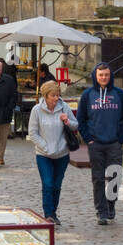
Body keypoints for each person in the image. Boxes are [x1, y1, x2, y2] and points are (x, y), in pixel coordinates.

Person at [76, 62, 123, 225]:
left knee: (115, 176)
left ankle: (110, 205)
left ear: (110, 76)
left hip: (114, 143)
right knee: (98, 178)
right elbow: (81, 119)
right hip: (96, 144)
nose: (104, 78)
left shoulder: (119, 94)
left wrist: (121, 138)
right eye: (101, 75)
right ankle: (101, 211)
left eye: (106, 75)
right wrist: (88, 139)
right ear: (95, 76)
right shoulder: (87, 95)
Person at [28, 80, 79, 225]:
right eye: (53, 96)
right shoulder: (37, 110)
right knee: (48, 183)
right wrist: (45, 146)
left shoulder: (64, 107)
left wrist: (67, 121)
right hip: (43, 154)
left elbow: (76, 124)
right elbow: (33, 133)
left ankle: (53, 212)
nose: (56, 98)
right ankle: (48, 214)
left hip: (62, 153)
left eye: (58, 95)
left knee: (57, 185)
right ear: (45, 96)